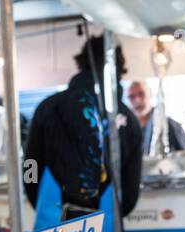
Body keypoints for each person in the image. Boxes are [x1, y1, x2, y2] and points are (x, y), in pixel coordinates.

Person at [24, 36, 144, 218]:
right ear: (119, 69)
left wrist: (35, 196)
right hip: (105, 223)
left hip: (53, 225)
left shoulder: (47, 108)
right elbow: (131, 186)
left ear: (82, 63)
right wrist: (117, 212)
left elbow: (30, 164)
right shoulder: (129, 121)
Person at [127, 79, 185, 155]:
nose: (137, 100)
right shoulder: (126, 130)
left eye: (141, 94)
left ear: (150, 94)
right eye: (131, 96)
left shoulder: (168, 125)